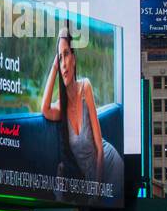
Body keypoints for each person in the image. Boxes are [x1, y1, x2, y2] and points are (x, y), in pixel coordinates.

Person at [40, 32, 124, 200]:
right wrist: (54, 67)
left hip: (111, 168)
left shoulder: (85, 87)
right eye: (60, 58)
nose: (64, 64)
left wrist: (97, 191)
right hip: (91, 181)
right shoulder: (60, 108)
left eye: (66, 55)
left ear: (74, 58)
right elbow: (45, 109)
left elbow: (100, 148)